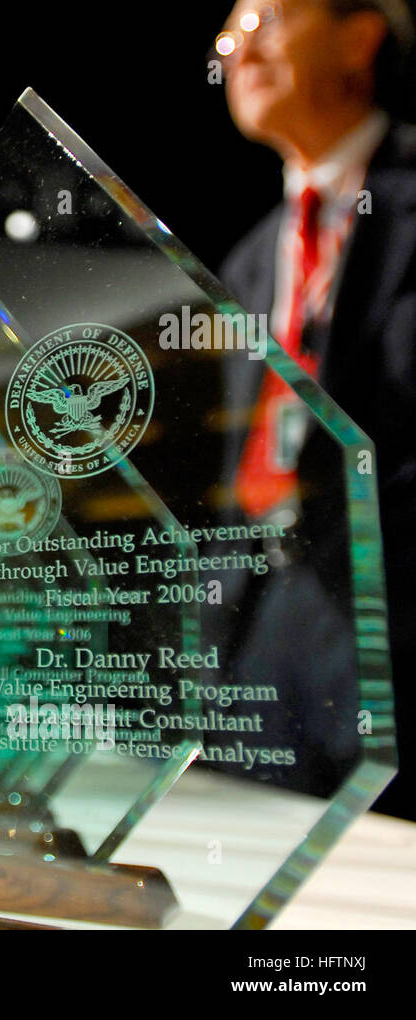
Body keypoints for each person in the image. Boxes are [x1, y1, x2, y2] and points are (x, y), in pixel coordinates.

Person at [217, 0, 416, 819]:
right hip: (260, 624)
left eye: (270, 13)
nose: (236, 44)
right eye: (230, 29)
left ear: (360, 31)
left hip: (393, 626)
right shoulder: (248, 259)